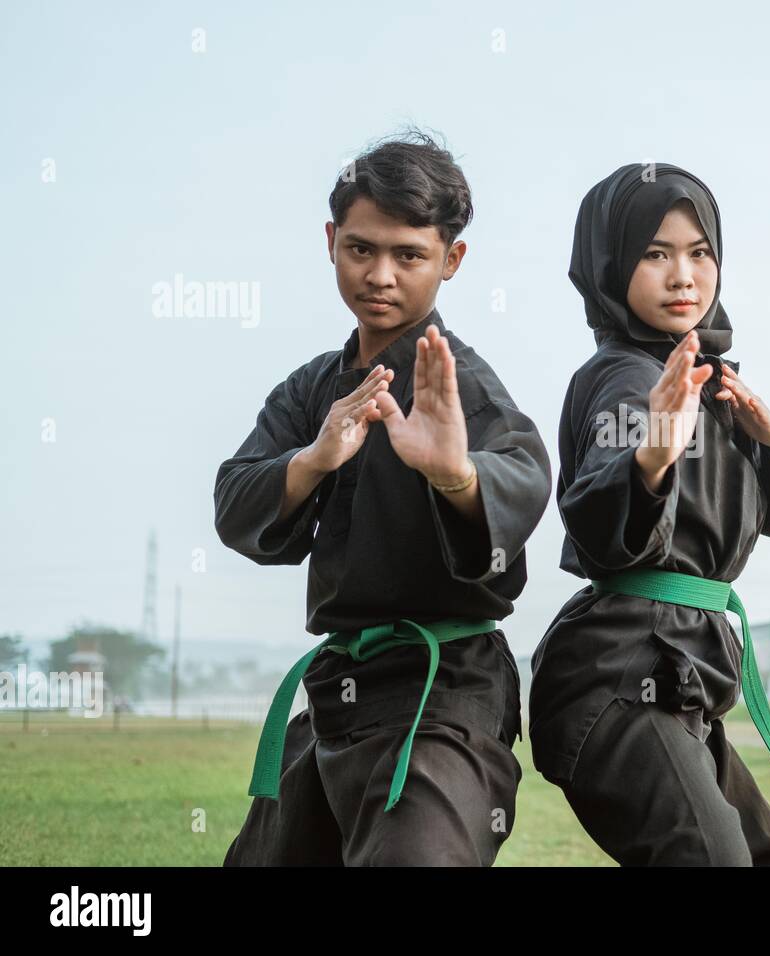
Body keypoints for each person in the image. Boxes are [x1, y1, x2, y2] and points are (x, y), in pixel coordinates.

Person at [216, 130, 551, 866]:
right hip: (340, 692)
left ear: (451, 260)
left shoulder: (456, 383)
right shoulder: (312, 391)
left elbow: (524, 475)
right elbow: (235, 501)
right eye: (361, 249)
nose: (381, 275)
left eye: (410, 255)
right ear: (332, 241)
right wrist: (313, 460)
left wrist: (455, 476)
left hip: (447, 697)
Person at [528, 163, 770, 866]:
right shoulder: (628, 381)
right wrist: (650, 460)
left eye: (700, 253)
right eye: (654, 253)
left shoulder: (712, 385)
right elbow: (603, 522)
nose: (682, 276)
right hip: (619, 674)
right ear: (610, 265)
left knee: (764, 858)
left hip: (683, 671)